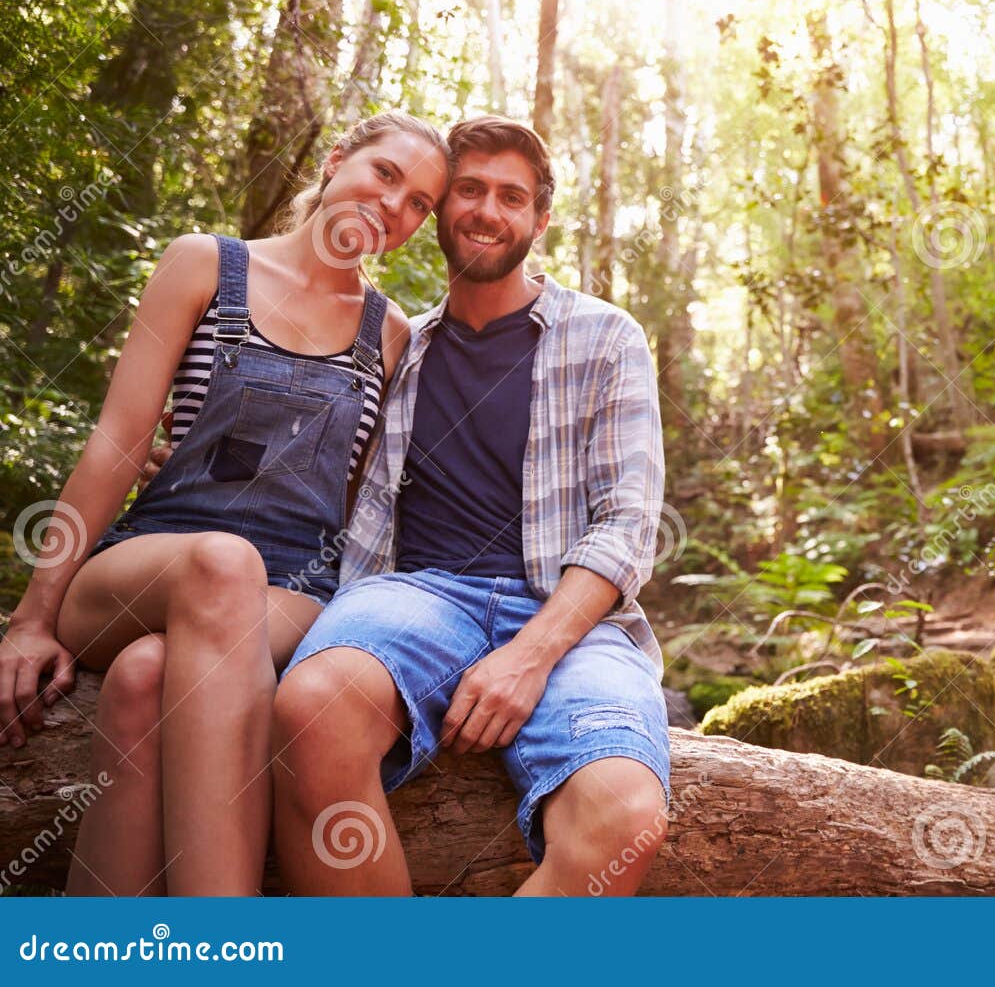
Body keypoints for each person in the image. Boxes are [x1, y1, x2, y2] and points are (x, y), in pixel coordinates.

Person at [0, 112, 451, 895]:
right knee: (219, 562)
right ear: (339, 158)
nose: (394, 206)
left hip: (291, 596)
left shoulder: (392, 336)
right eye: (385, 174)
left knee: (144, 677)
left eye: (419, 204)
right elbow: (117, 444)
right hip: (144, 570)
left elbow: (355, 507)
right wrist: (33, 618)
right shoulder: (204, 264)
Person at [270, 115, 671, 896]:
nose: (489, 209)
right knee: (314, 707)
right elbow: (308, 462)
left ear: (540, 220)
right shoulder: (394, 345)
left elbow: (628, 525)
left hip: (573, 619)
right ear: (436, 211)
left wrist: (530, 655)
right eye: (471, 190)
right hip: (414, 597)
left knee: (626, 812)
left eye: (512, 196)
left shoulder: (606, 338)